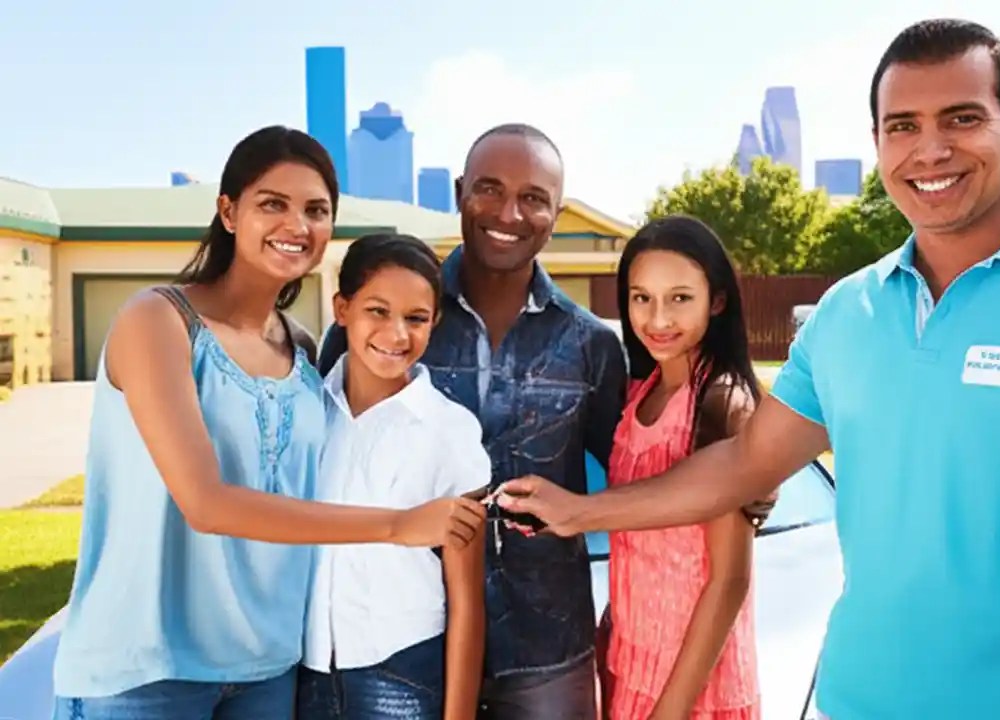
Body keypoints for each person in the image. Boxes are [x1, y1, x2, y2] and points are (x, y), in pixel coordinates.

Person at [494, 19, 1000, 720]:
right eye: (902, 125)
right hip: (851, 701)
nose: (929, 150)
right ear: (876, 143)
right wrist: (578, 511)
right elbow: (744, 462)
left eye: (962, 119)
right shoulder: (847, 314)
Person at [51, 126, 485, 720]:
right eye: (272, 204)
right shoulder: (158, 321)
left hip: (267, 671)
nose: (296, 225)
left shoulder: (304, 354)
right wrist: (398, 525)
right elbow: (205, 504)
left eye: (316, 210)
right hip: (148, 667)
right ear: (228, 211)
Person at [318, 123, 626, 720]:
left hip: (546, 649)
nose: (510, 212)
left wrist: (736, 466)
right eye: (489, 188)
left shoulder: (590, 345)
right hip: (403, 643)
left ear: (556, 213)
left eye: (534, 197)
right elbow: (317, 446)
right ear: (460, 192)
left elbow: (637, 466)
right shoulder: (394, 319)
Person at [296, 234, 487, 720]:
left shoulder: (451, 430)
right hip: (302, 667)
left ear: (434, 322)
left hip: (401, 669)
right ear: (342, 309)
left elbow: (466, 600)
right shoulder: (303, 413)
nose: (397, 334)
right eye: (377, 311)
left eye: (416, 318)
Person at [602, 215, 762, 720]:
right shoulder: (640, 393)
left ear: (716, 301)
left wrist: (670, 710)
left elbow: (730, 579)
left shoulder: (721, 402)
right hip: (630, 669)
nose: (657, 318)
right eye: (641, 297)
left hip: (695, 691)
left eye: (679, 298)